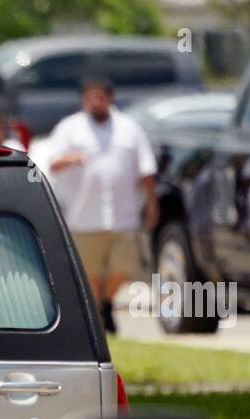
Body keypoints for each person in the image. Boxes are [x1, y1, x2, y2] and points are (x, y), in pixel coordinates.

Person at [48, 75, 158, 333]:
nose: (96, 102)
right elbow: (52, 163)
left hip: (123, 217)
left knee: (124, 270)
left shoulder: (129, 128)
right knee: (91, 273)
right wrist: (71, 159)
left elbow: (146, 170)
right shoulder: (69, 128)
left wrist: (152, 204)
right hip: (84, 217)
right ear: (84, 101)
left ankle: (106, 304)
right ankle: (100, 314)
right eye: (90, 97)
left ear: (110, 98)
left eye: (101, 96)